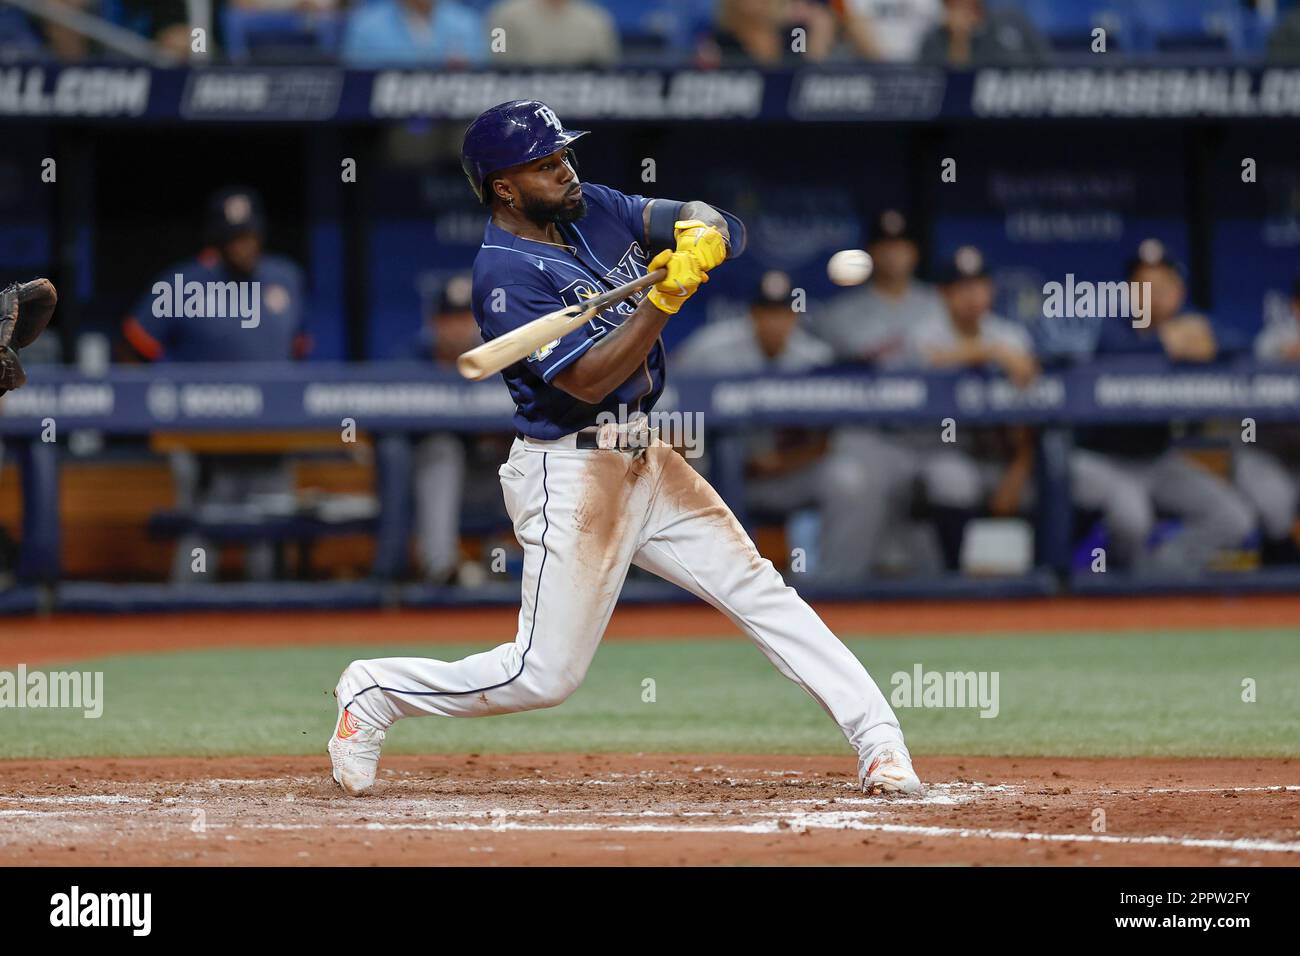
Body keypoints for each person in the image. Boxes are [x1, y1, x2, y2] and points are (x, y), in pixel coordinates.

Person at [328, 99, 920, 798]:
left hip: (647, 453)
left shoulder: (592, 205)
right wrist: (662, 303)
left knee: (760, 591)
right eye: (546, 166)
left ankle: (880, 741)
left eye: (565, 156)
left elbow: (717, 220)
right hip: (570, 473)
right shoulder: (504, 275)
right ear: (505, 188)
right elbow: (586, 380)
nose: (566, 172)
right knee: (543, 676)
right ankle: (377, 690)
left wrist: (703, 237)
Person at [121, 187, 310, 584]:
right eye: (235, 238)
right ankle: (183, 629)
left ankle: (273, 632)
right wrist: (165, 412)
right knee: (200, 540)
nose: (245, 245)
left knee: (268, 544)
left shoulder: (285, 277)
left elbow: (298, 351)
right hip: (203, 441)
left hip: (271, 438)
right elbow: (133, 349)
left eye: (251, 235)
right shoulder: (183, 283)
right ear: (218, 239)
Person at [673, 269, 874, 582]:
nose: (774, 322)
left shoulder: (815, 358)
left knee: (848, 477)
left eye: (782, 313)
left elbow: (829, 437)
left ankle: (837, 587)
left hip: (786, 473)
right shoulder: (709, 350)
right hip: (716, 476)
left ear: (794, 317)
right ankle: (698, 580)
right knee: (691, 460)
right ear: (752, 314)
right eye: (766, 312)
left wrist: (784, 461)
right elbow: (667, 407)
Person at [1070, 240, 1255, 574]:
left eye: (1161, 285)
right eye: (1142, 285)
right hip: (1101, 459)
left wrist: (1201, 342)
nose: (1151, 293)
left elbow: (1230, 349)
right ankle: (1115, 592)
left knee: (1233, 518)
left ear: (1179, 291)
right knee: (1133, 518)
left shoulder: (1193, 326)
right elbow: (1124, 356)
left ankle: (1155, 576)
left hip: (1157, 460)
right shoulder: (1113, 331)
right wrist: (1170, 341)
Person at [408, 273, 512, 584]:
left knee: (524, 452)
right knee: (442, 447)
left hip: (490, 481)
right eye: (448, 319)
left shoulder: (501, 359)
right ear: (433, 322)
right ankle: (441, 568)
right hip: (434, 486)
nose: (456, 328)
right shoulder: (413, 361)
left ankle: (510, 561)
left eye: (464, 318)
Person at [1236, 278, 1300, 563]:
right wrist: (1284, 361)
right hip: (1264, 452)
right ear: (1296, 306)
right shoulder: (1273, 341)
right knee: (1275, 508)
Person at [341, 0, 486, 67]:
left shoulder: (466, 21)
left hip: (454, 120)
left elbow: (483, 71)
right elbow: (358, 81)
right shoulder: (366, 26)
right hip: (384, 124)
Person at [485, 0, 619, 66]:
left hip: (583, 109)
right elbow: (498, 64)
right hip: (521, 107)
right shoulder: (503, 16)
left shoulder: (596, 19)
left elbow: (608, 70)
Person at [918, 0, 1048, 67]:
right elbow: (953, 92)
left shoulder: (1012, 19)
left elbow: (1047, 64)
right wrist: (959, 40)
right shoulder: (934, 40)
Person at [834, 0, 943, 62]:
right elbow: (856, 25)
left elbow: (940, 28)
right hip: (873, 67)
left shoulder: (929, 3)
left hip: (922, 67)